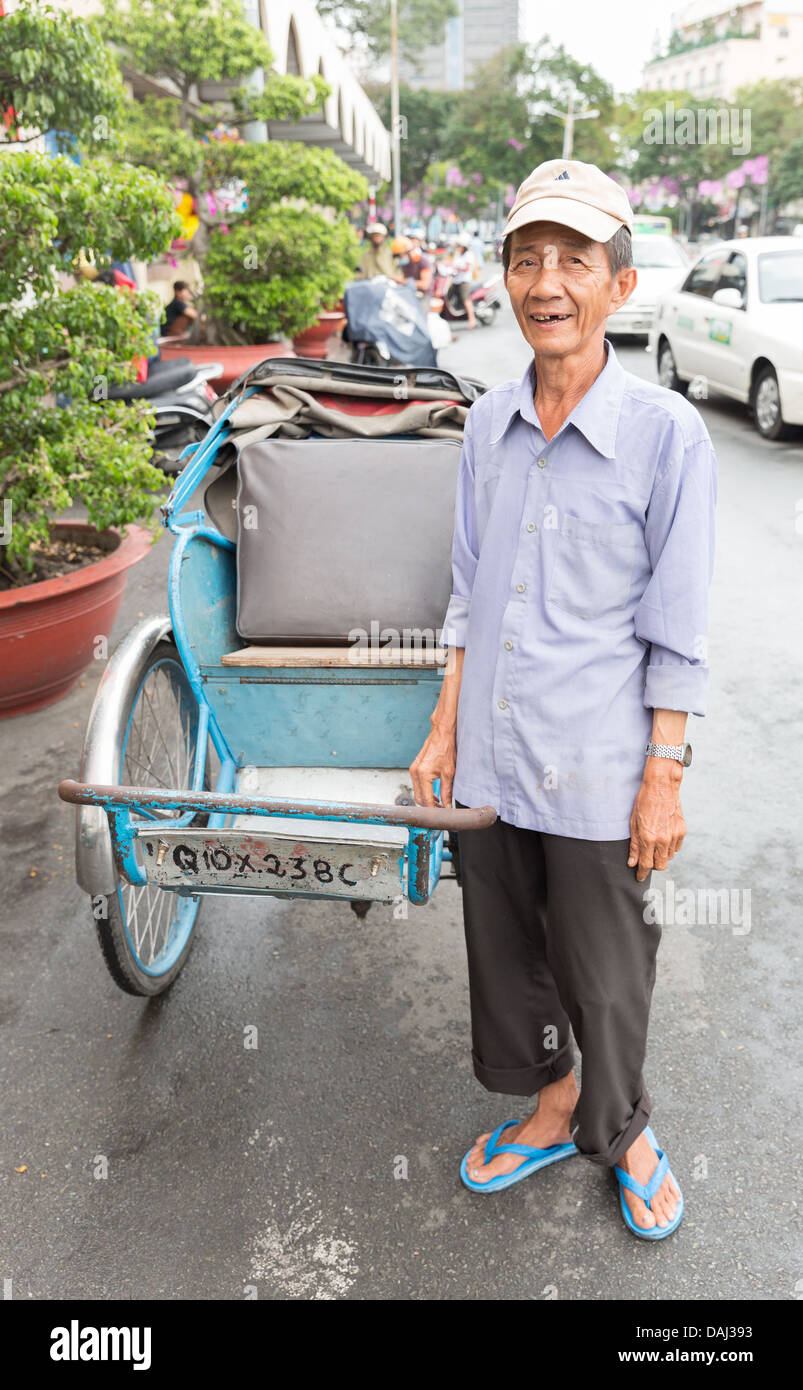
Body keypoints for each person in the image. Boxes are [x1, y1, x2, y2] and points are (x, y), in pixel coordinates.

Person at [409, 158, 717, 1241]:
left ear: (617, 287)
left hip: (596, 759)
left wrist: (660, 778)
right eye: (525, 259)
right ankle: (551, 1103)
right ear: (504, 278)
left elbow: (676, 628)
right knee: (507, 944)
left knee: (605, 962)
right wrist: (443, 727)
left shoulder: (665, 434)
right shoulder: (487, 423)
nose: (546, 282)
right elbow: (466, 591)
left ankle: (624, 1127)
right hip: (491, 749)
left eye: (572, 261)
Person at [399, 235, 434, 299]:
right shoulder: (403, 263)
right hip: (408, 293)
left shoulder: (423, 261)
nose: (401, 256)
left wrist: (401, 281)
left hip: (424, 295)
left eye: (403, 254)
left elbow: (425, 285)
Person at [451, 241, 477, 327]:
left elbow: (467, 267)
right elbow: (452, 264)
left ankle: (472, 319)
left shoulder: (469, 254)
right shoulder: (457, 254)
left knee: (465, 299)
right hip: (455, 279)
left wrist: (457, 268)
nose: (457, 247)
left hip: (464, 280)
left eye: (459, 246)